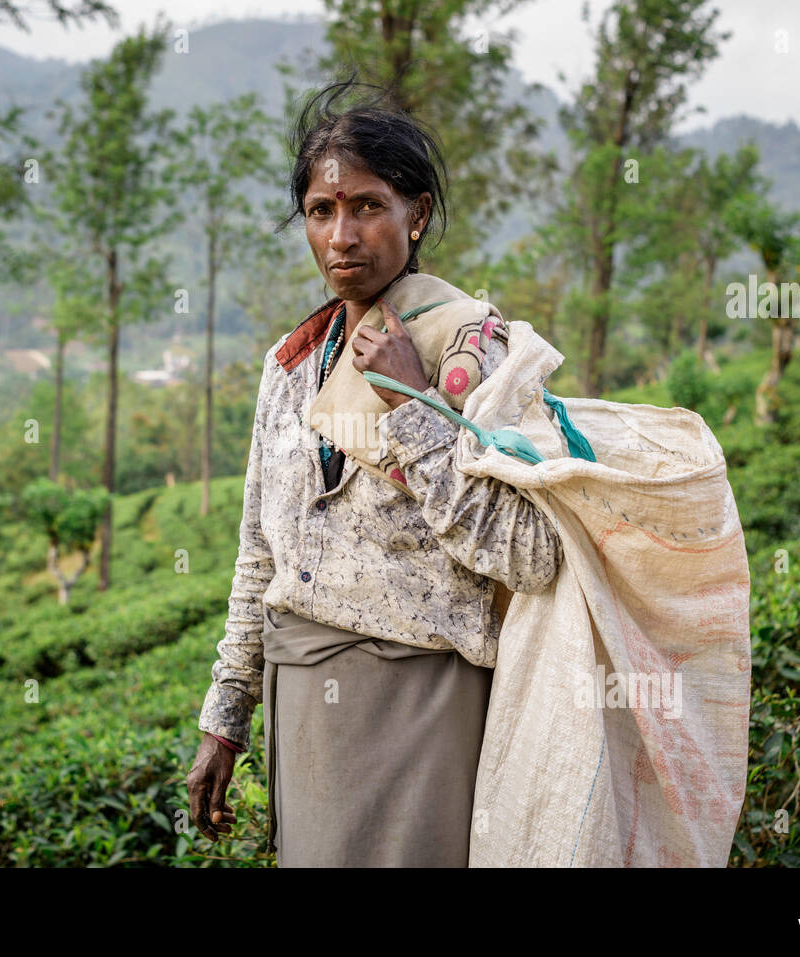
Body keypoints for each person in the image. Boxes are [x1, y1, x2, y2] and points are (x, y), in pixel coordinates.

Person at [185, 77, 564, 867]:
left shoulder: (472, 353)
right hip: (305, 703)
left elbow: (528, 554)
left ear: (415, 214)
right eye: (322, 212)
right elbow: (260, 553)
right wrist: (226, 716)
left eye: (366, 205)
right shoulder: (290, 368)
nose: (341, 236)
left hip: (422, 706)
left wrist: (415, 403)